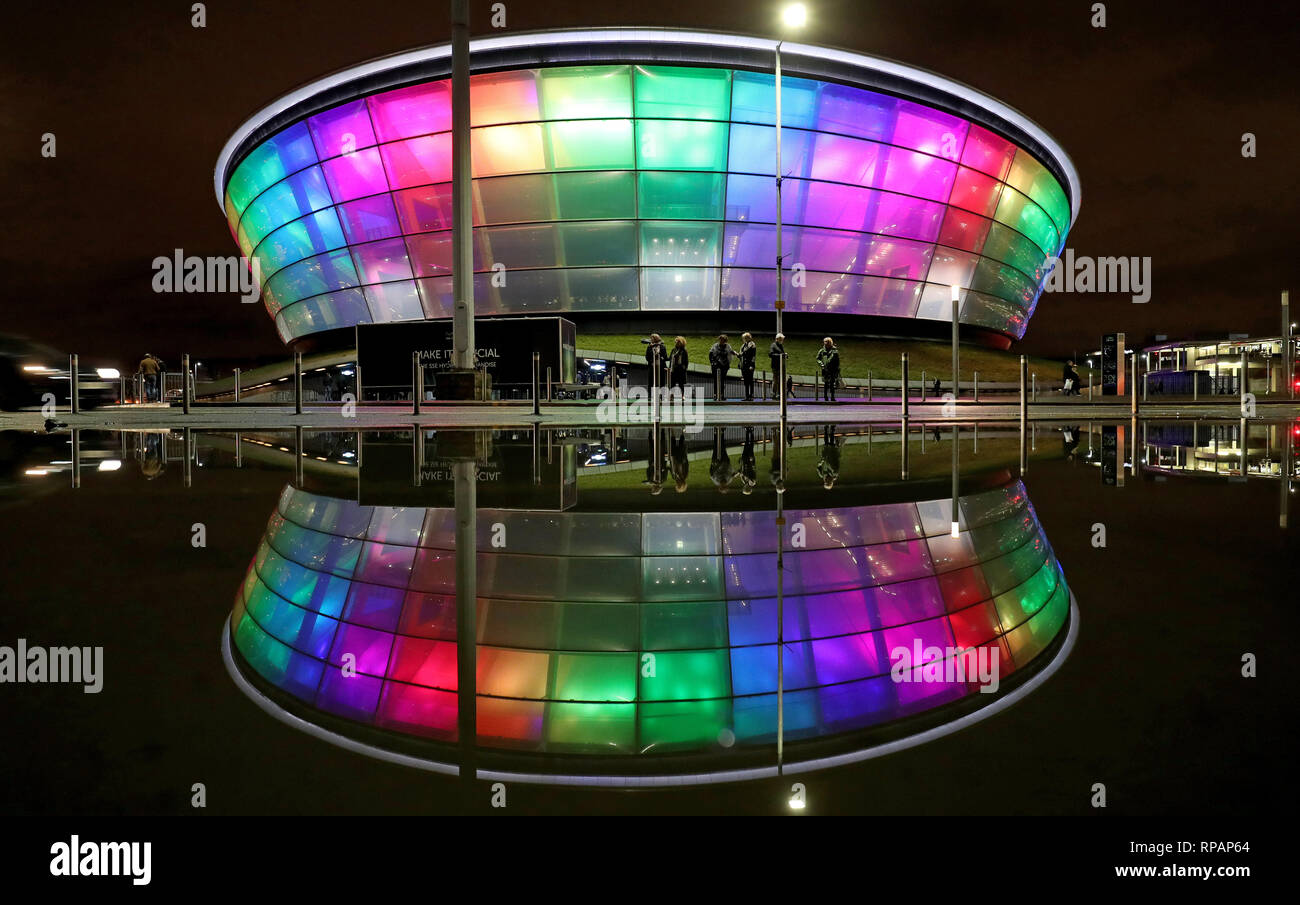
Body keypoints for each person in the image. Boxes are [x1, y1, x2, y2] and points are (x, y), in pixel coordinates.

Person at [708, 334, 737, 401]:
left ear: (725, 341)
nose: (721, 341)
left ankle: (721, 395)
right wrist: (712, 362)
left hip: (724, 366)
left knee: (722, 381)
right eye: (720, 339)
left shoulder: (728, 346)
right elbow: (710, 354)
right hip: (715, 365)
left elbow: (731, 352)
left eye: (723, 340)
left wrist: (735, 353)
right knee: (715, 380)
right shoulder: (715, 346)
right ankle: (715, 395)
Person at [815, 337, 840, 401]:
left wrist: (837, 369)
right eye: (825, 342)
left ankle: (832, 396)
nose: (826, 344)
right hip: (825, 369)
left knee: (832, 383)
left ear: (830, 343)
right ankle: (825, 396)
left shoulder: (834, 351)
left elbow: (837, 361)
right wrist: (821, 364)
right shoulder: (822, 350)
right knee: (826, 383)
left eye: (827, 342)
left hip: (833, 369)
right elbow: (818, 358)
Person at [769, 333, 791, 399]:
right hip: (775, 365)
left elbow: (782, 353)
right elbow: (770, 354)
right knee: (776, 380)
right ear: (777, 339)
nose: (782, 340)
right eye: (781, 339)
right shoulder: (773, 345)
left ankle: (778, 394)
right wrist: (781, 355)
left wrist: (785, 355)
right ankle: (774, 394)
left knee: (779, 380)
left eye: (782, 339)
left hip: (780, 365)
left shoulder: (780, 345)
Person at [738, 332, 758, 401]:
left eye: (746, 337)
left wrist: (752, 365)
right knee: (746, 381)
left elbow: (753, 356)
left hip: (749, 365)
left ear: (749, 337)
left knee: (750, 380)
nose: (744, 339)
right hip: (744, 365)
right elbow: (741, 355)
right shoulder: (743, 345)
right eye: (744, 338)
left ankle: (751, 395)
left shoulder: (752, 344)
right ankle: (747, 396)